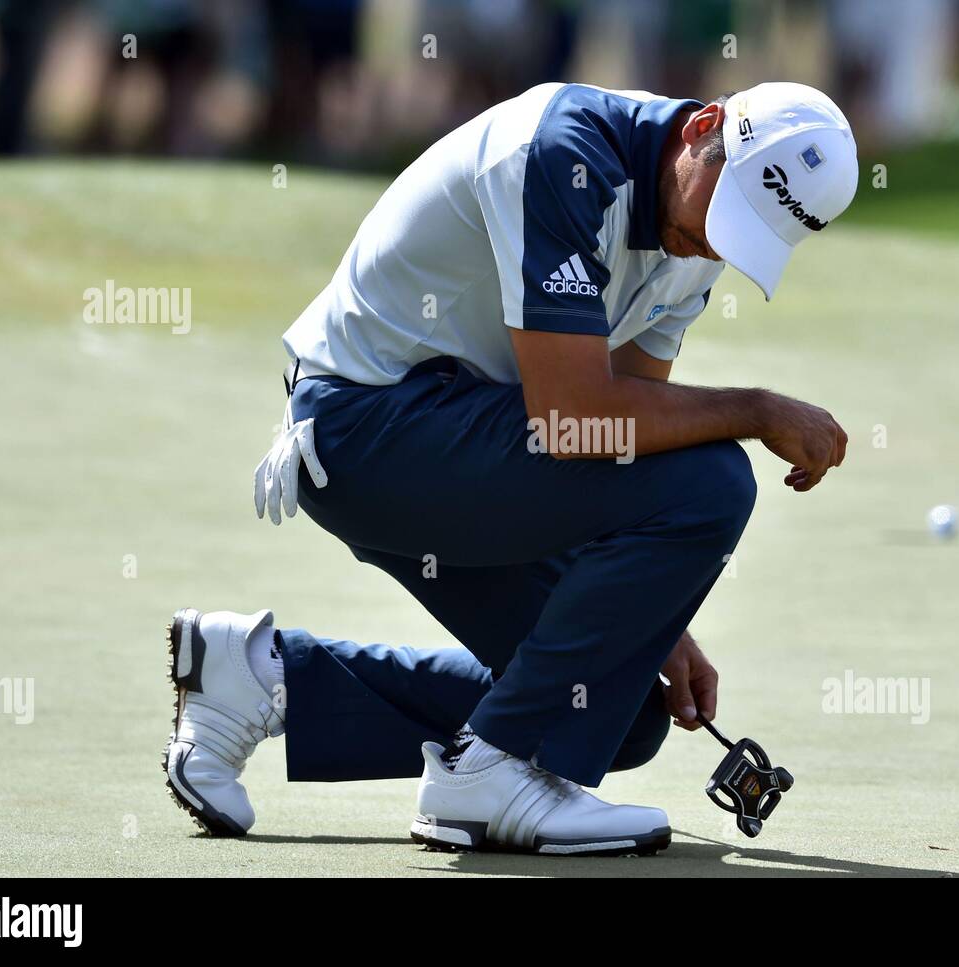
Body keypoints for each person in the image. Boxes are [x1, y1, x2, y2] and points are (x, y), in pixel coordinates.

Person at [163, 81, 858, 855]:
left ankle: (258, 678)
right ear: (702, 128)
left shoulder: (696, 226)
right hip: (367, 428)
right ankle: (489, 772)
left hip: (462, 442)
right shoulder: (562, 155)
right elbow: (575, 418)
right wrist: (759, 409)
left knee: (618, 714)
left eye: (748, 235)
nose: (716, 243)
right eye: (727, 213)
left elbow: (618, 451)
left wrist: (643, 613)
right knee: (715, 480)